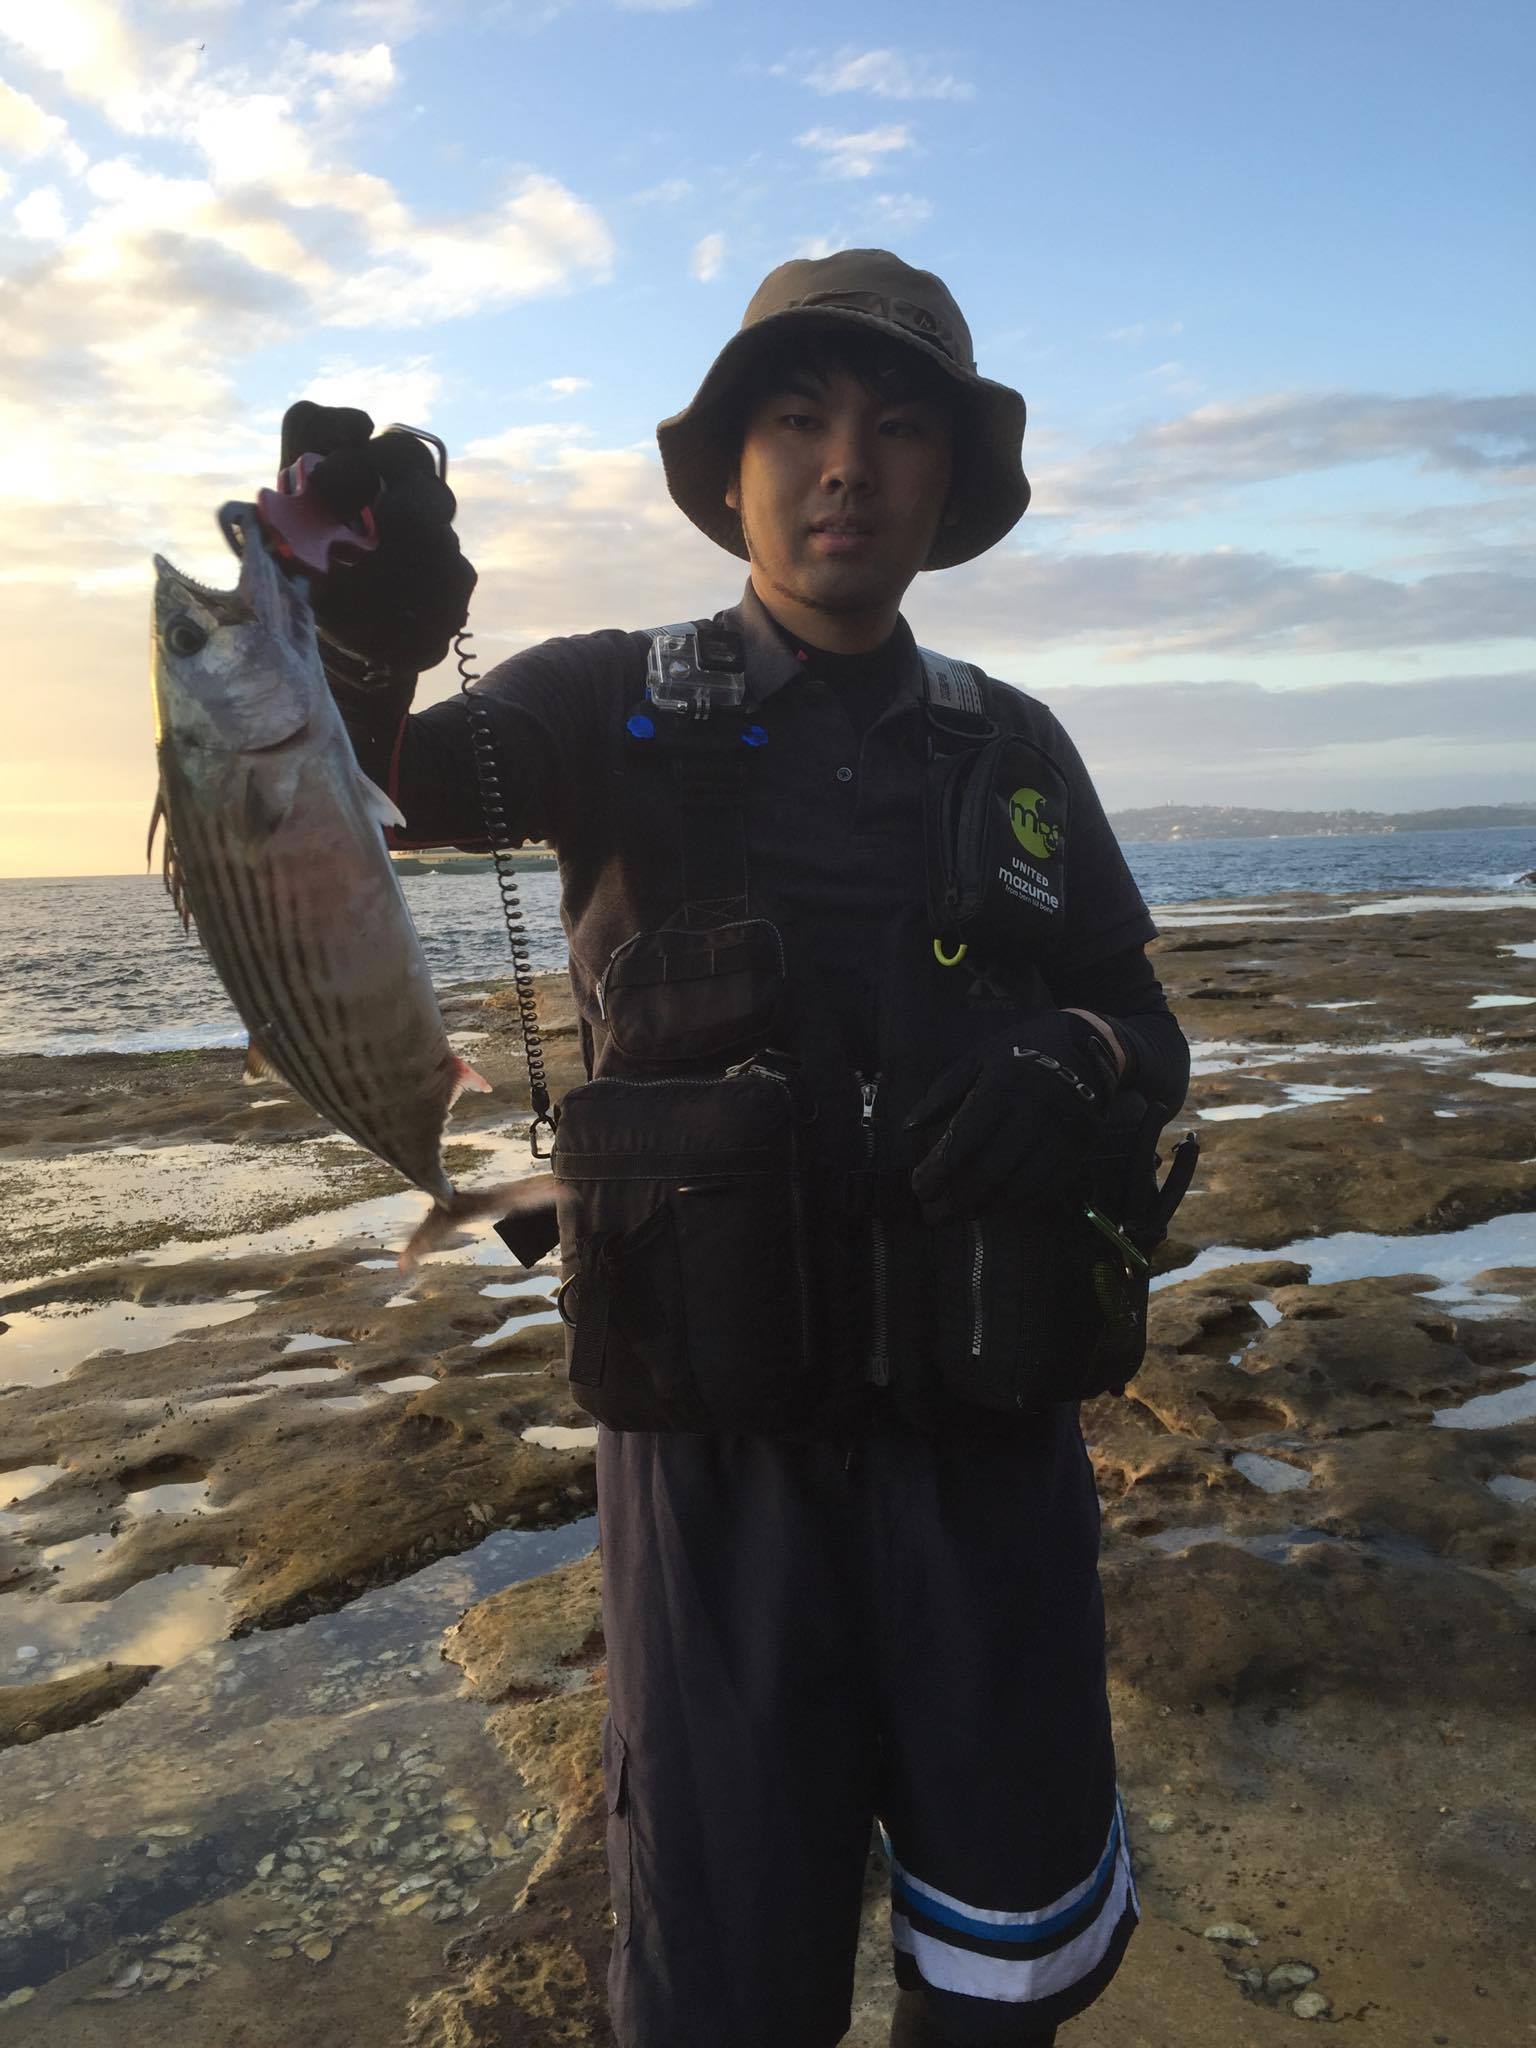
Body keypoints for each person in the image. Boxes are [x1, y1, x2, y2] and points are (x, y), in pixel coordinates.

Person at [280, 249, 1190, 2048]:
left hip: (989, 1473)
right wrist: (359, 627)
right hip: (715, 1493)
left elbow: (1145, 1030)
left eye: (896, 425)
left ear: (948, 483)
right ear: (735, 471)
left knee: (996, 1987)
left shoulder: (1015, 749)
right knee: (721, 1990)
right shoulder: (605, 702)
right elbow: (374, 790)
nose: (847, 462)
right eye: (800, 418)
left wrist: (1073, 1064)